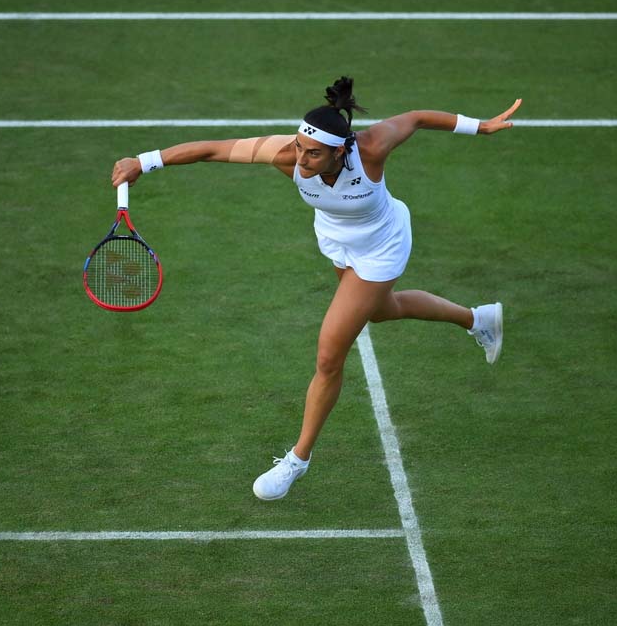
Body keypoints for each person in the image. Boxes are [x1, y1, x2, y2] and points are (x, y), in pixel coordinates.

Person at [112, 77, 521, 501]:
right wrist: (144, 161)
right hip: (337, 240)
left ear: (339, 152)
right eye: (299, 147)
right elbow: (213, 149)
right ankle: (477, 319)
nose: (301, 159)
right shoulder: (286, 154)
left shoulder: (372, 148)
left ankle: (298, 458)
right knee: (383, 311)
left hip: (382, 246)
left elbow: (417, 118)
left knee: (328, 356)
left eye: (313, 153)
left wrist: (481, 126)